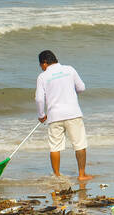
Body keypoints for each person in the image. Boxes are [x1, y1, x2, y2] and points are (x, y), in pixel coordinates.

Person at [35, 49, 92, 182]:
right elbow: (81, 87)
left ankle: (57, 175)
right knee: (79, 144)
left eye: (41, 65)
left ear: (44, 63)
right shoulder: (69, 70)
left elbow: (39, 99)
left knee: (55, 146)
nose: (41, 68)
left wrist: (41, 115)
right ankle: (82, 175)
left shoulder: (42, 77)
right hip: (73, 113)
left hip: (54, 116)